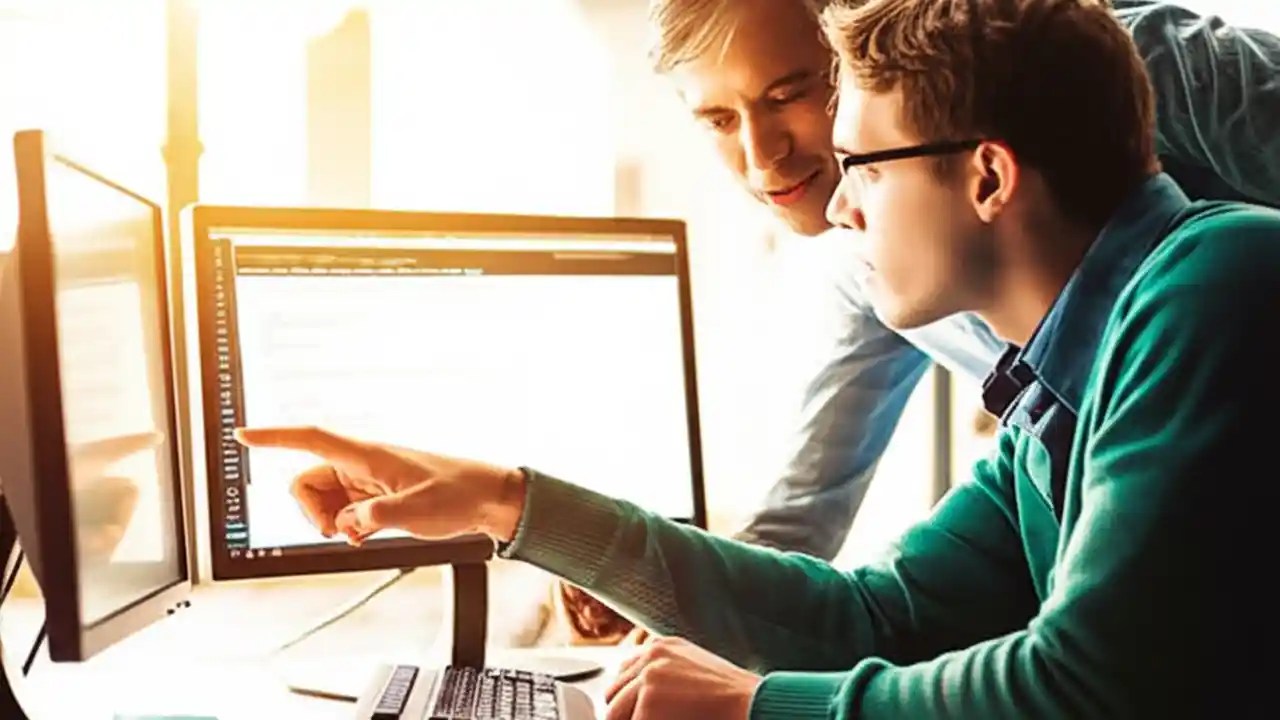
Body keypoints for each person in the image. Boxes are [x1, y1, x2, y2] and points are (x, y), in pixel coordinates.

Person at [237, 0, 1280, 715]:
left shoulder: (1214, 280)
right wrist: (510, 504)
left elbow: (1090, 688)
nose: (837, 205)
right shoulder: (1049, 398)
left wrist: (754, 707)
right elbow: (872, 617)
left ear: (987, 177)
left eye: (863, 163)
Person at [559, 0, 1280, 644]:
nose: (759, 156)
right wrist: (649, 584)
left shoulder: (1092, 64)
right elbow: (818, 543)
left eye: (789, 94)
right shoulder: (884, 268)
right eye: (719, 119)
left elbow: (1090, 681)